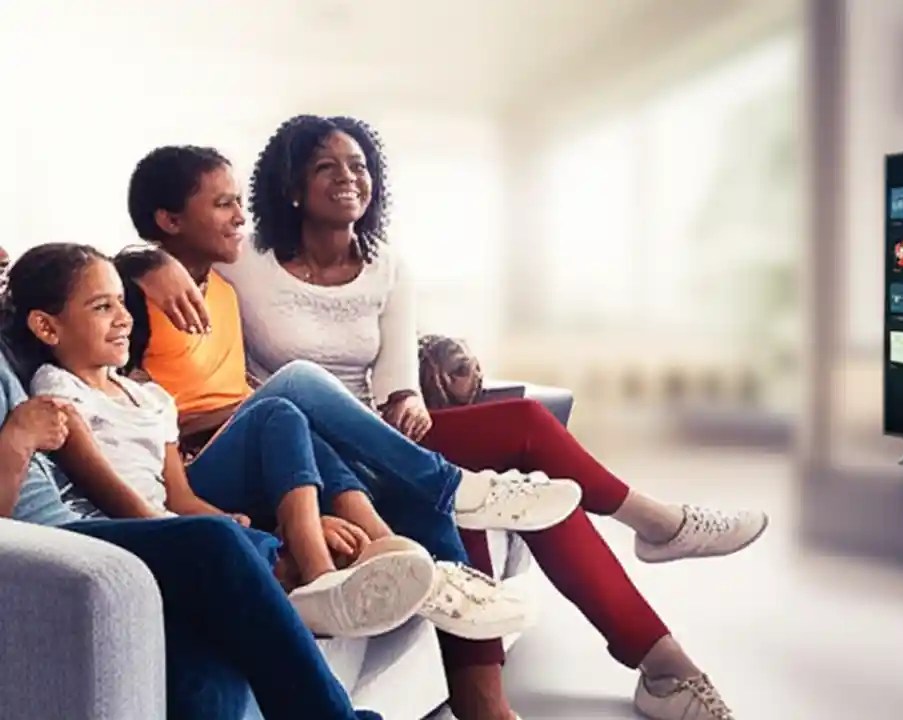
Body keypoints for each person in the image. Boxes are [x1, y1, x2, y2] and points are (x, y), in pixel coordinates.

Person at [131, 124, 767, 720]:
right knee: (466, 459)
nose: (347, 176)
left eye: (357, 164)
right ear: (291, 187)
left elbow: (398, 373)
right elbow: (133, 259)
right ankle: (651, 539)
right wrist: (146, 262)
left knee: (515, 470)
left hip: (376, 433)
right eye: (325, 166)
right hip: (294, 442)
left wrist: (407, 398)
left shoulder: (387, 267)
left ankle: (653, 664)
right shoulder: (245, 262)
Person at [9, 242, 574, 643]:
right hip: (153, 528)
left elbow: (180, 496)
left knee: (287, 412)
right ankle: (435, 497)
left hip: (196, 492)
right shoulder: (54, 395)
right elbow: (133, 507)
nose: (123, 318)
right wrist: (226, 533)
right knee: (296, 387)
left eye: (120, 303)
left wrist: (236, 523)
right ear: (46, 328)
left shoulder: (151, 393)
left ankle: (389, 554)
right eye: (102, 306)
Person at [0, 348, 383, 718]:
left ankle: (298, 559)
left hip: (80, 531)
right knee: (214, 543)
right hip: (47, 546)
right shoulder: (51, 381)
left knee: (204, 670)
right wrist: (18, 437)